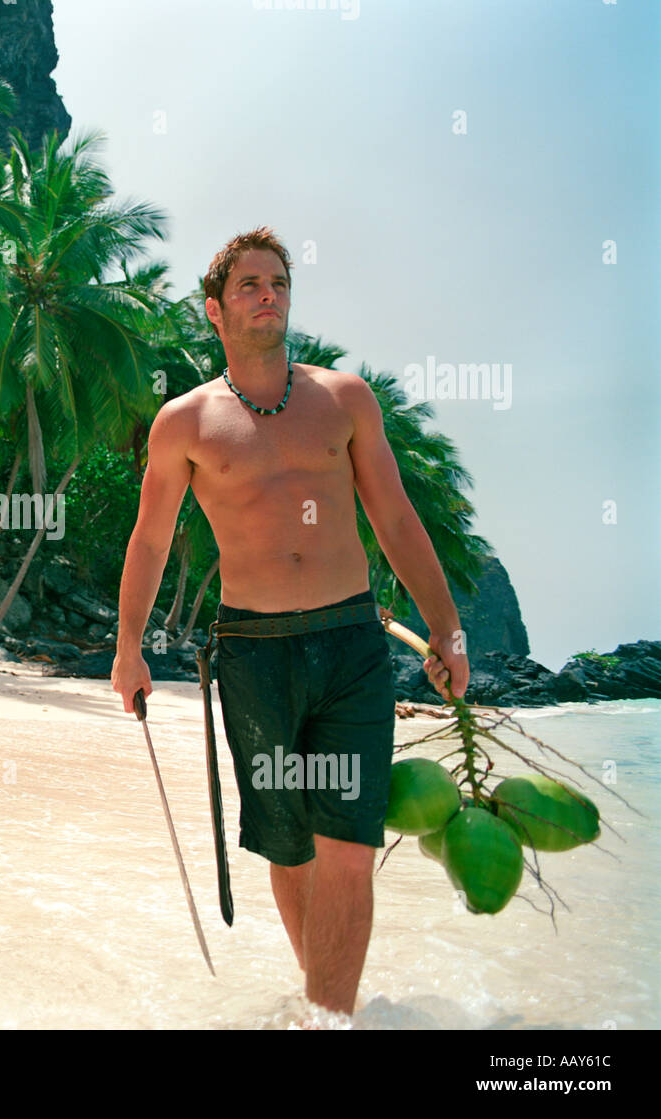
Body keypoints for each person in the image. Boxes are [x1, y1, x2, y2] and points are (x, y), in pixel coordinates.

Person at [110, 226, 470, 1018]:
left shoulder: (344, 400)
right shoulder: (184, 422)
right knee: (289, 845)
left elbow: (396, 518)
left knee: (349, 844)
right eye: (249, 284)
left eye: (278, 282)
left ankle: (330, 1014)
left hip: (350, 646)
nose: (268, 294)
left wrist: (447, 629)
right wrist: (128, 648)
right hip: (254, 654)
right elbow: (151, 540)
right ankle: (331, 1006)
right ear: (215, 310)